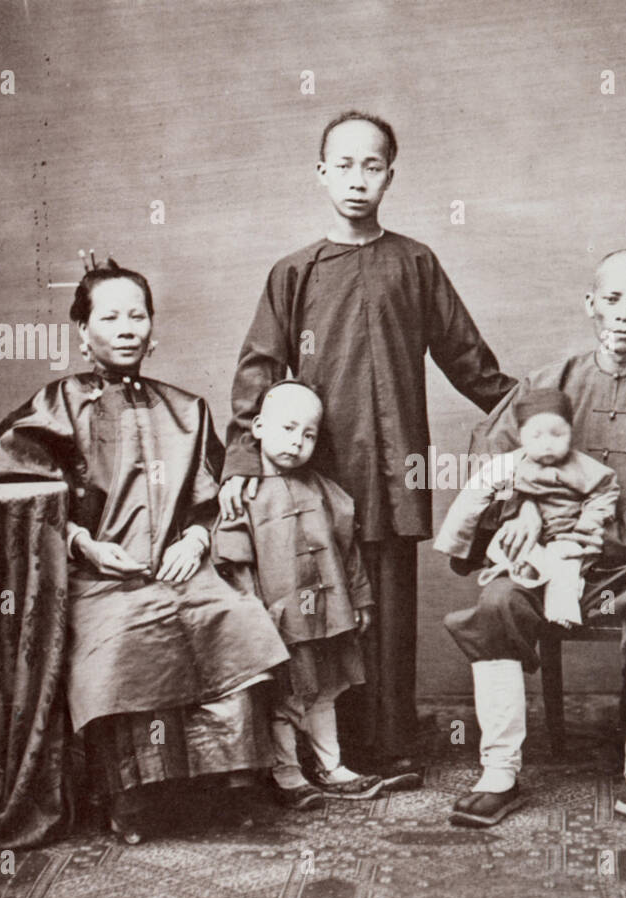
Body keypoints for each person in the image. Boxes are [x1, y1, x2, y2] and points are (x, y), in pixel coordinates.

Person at [220, 111, 516, 786]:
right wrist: (243, 458)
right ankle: (326, 749)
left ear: (391, 174)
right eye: (344, 165)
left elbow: (469, 360)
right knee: (322, 608)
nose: (358, 179)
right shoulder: (294, 272)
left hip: (398, 467)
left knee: (387, 602)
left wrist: (537, 418)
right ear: (321, 172)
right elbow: (259, 370)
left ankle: (387, 742)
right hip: (316, 476)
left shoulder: (414, 262)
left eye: (372, 165)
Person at [0, 258, 290, 844]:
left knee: (230, 615)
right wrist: (81, 543)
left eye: (137, 314)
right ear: (83, 333)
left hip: (181, 567)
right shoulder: (59, 405)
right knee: (128, 635)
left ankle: (225, 786)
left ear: (153, 329)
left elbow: (210, 498)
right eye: (109, 316)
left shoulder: (188, 409)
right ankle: (136, 795)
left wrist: (196, 538)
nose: (127, 327)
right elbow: (0, 483)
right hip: (100, 578)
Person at [443, 249, 626, 829]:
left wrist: (624, 536)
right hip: (547, 557)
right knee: (496, 604)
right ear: (589, 304)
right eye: (612, 299)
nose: (624, 314)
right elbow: (490, 468)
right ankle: (499, 771)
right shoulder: (545, 386)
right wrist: (518, 513)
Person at [213, 381, 383, 812]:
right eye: (288, 428)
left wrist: (360, 600)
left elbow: (348, 551)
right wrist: (254, 615)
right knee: (288, 697)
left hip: (329, 614)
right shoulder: (244, 495)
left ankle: (332, 766)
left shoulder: (324, 489)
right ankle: (287, 773)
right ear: (258, 427)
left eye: (308, 434)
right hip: (280, 620)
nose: (297, 442)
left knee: (324, 690)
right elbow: (235, 564)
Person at [433, 388, 620, 629]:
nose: (547, 445)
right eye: (536, 436)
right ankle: (524, 570)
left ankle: (561, 614)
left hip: (568, 534)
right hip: (528, 536)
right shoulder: (511, 463)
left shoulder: (584, 467)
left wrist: (586, 526)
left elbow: (605, 493)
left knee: (567, 563)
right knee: (507, 547)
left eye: (557, 435)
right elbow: (475, 493)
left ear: (570, 433)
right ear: (521, 437)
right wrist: (456, 543)